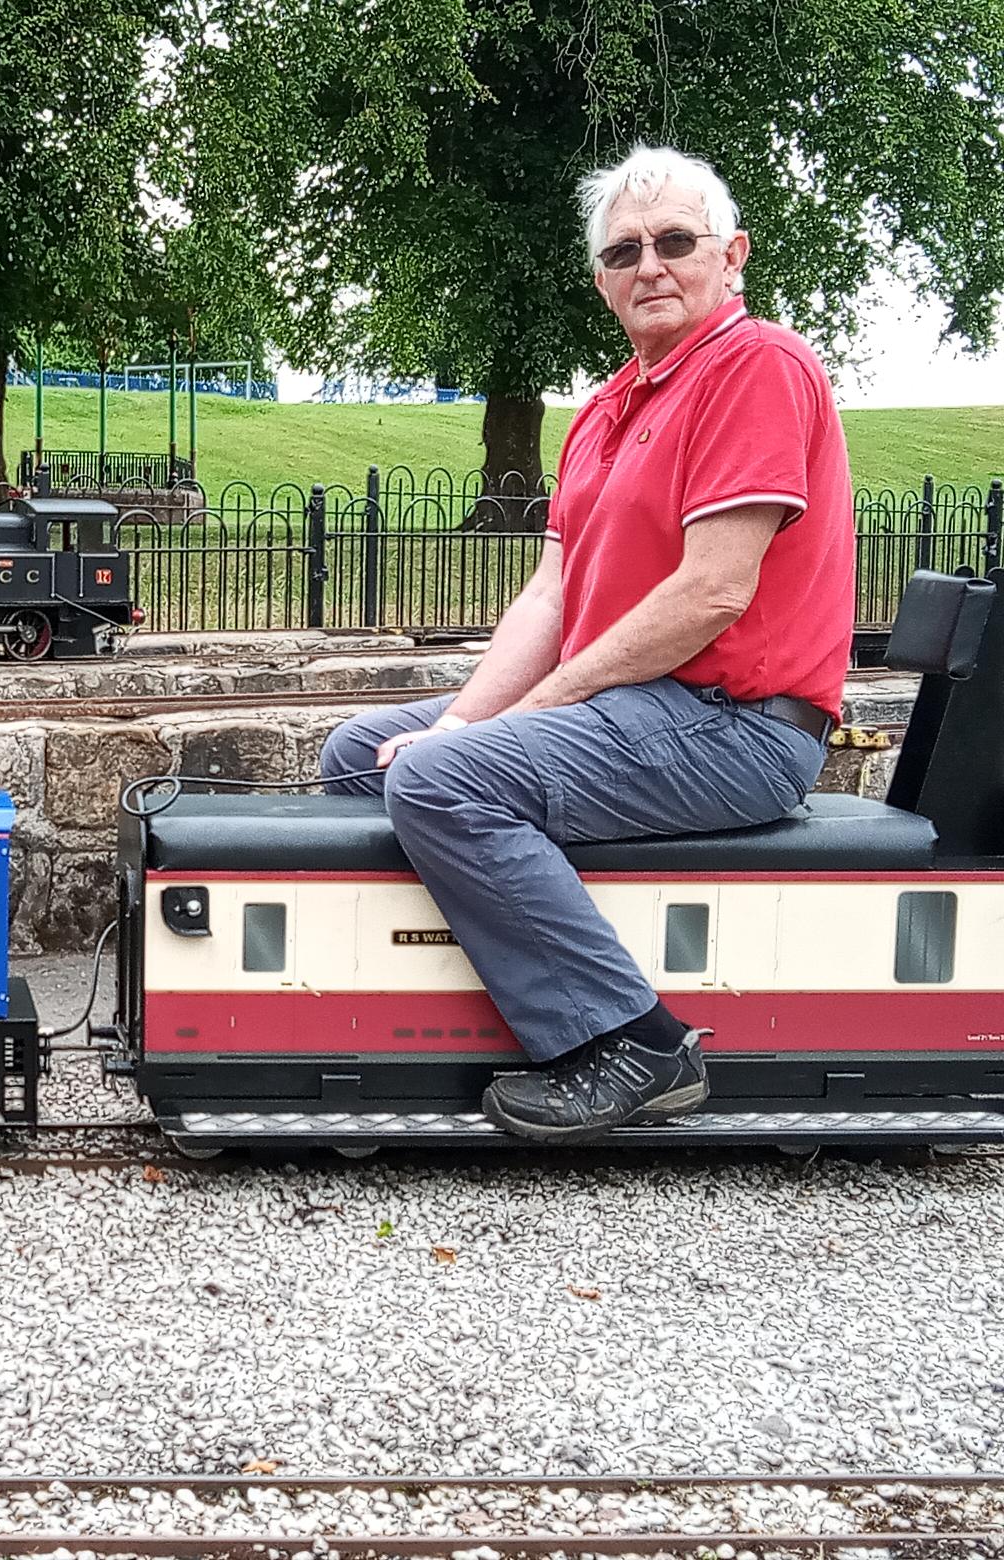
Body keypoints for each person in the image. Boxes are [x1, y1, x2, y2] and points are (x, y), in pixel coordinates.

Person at [318, 144, 854, 1143]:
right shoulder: (608, 407)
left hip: (733, 723)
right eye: (623, 251)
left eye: (676, 241)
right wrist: (471, 717)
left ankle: (631, 1044)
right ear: (599, 280)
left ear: (729, 256)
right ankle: (432, 1004)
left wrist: (497, 733)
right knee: (358, 754)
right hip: (635, 709)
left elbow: (710, 593)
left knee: (443, 782)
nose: (650, 264)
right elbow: (552, 596)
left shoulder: (755, 367)